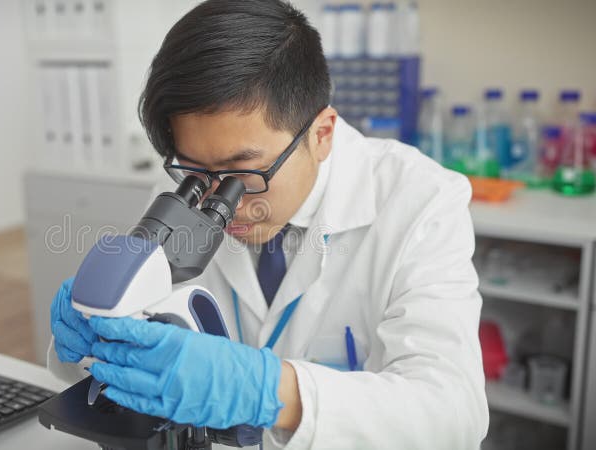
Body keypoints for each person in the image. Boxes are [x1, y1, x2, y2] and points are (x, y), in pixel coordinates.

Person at [47, 0, 488, 448]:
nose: (223, 199)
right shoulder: (189, 192)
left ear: (322, 134)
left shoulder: (421, 200)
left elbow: (454, 414)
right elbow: (125, 375)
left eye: (244, 173)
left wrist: (271, 392)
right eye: (197, 172)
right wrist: (93, 335)